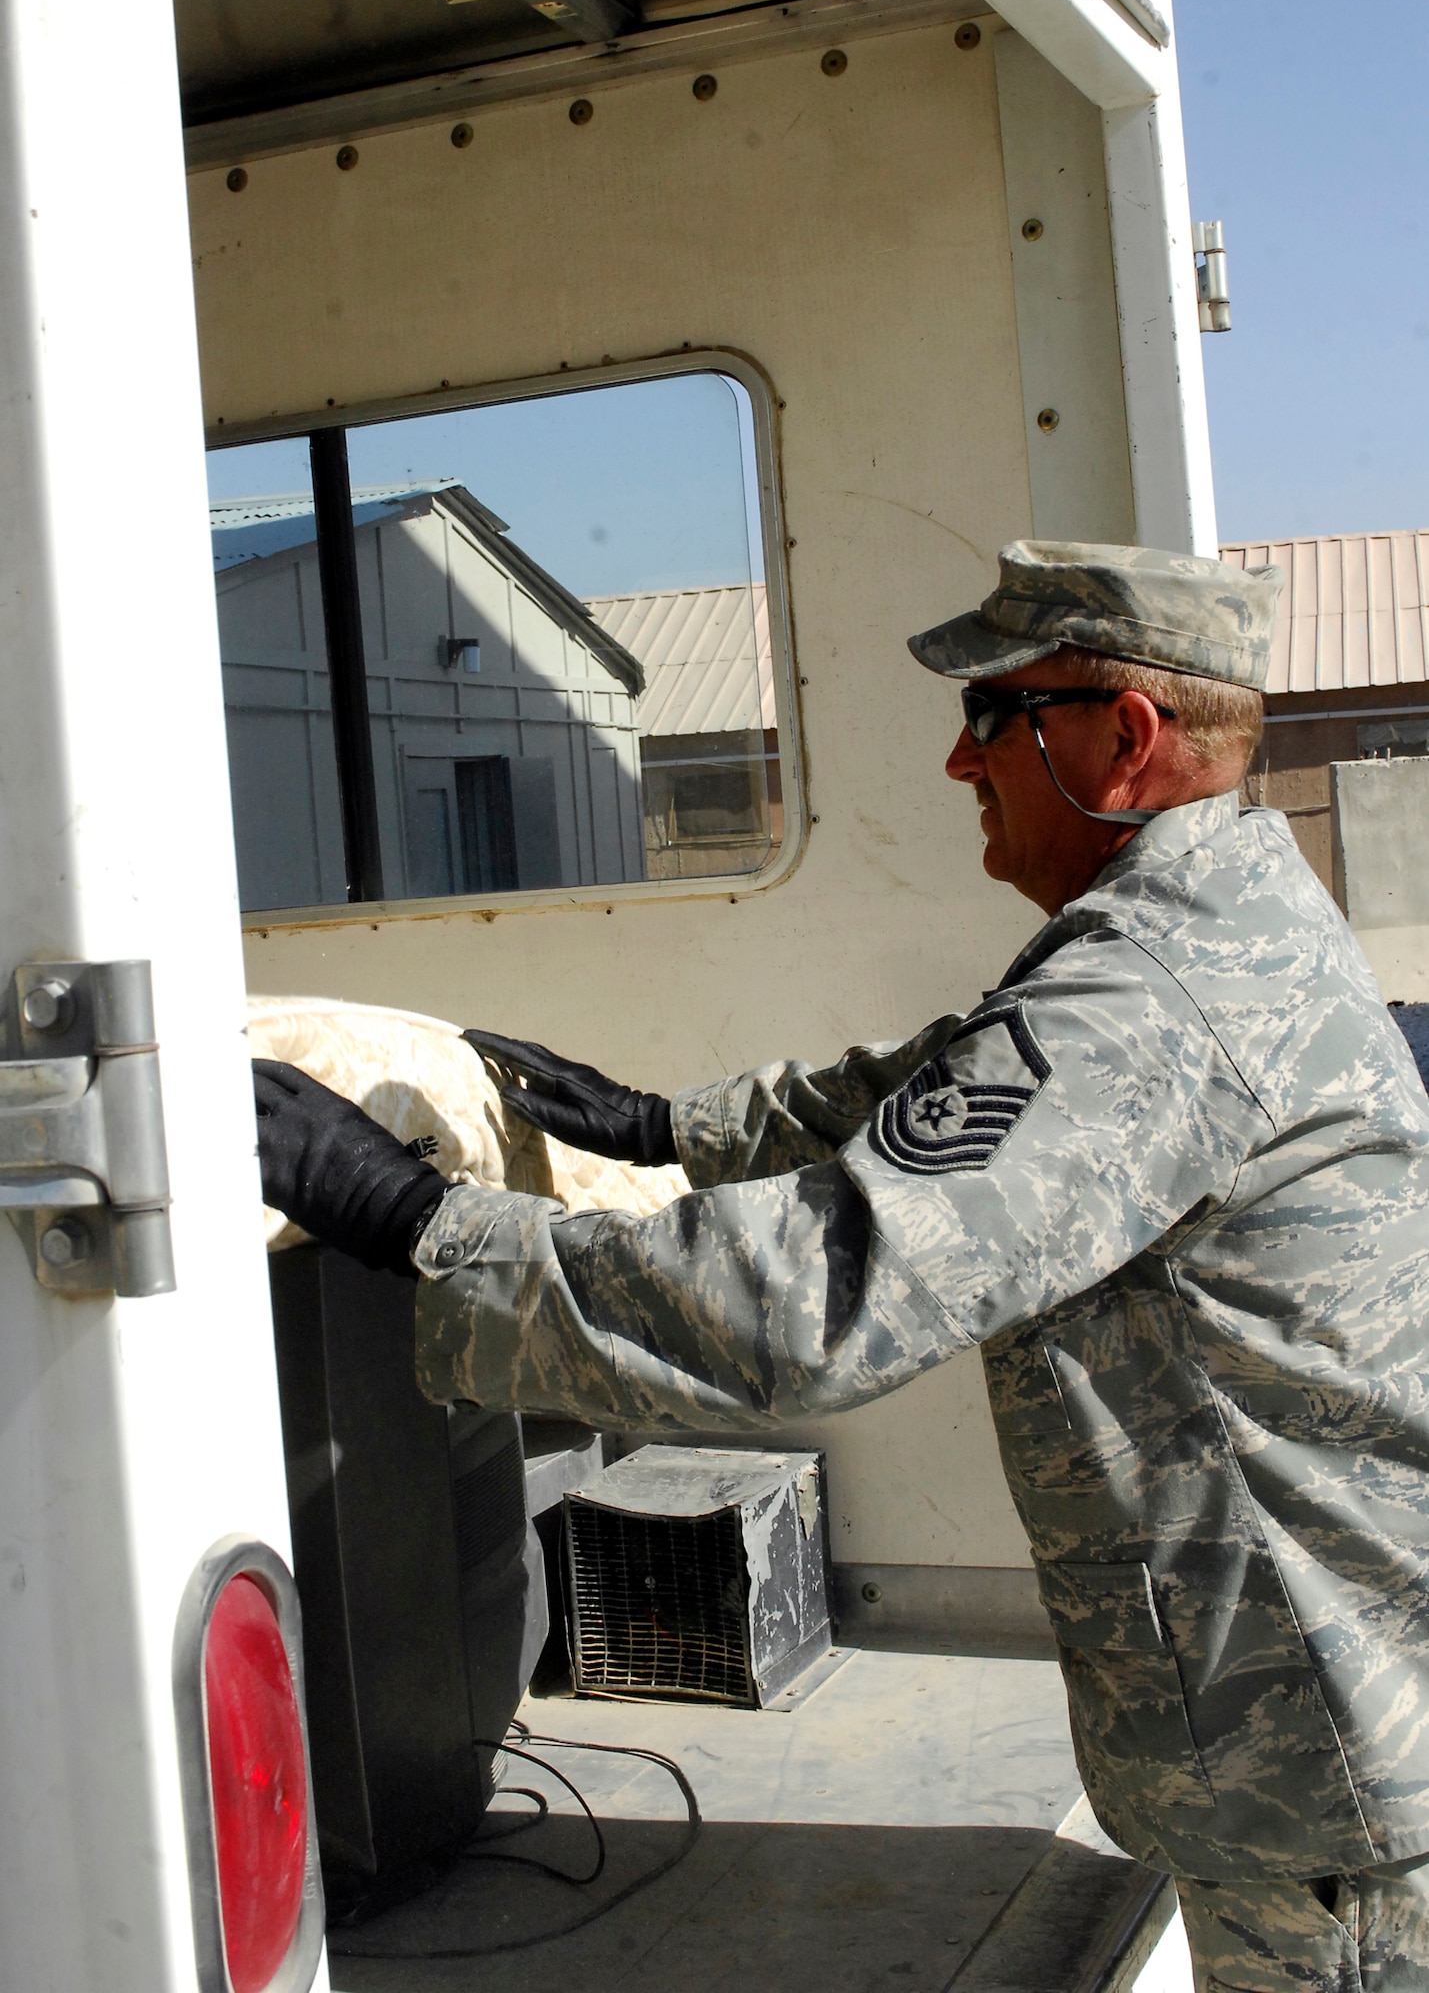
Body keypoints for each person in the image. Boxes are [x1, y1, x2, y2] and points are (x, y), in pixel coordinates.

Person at [255, 541, 1429, 1991]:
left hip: (1329, 1763)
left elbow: (813, 1299)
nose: (958, 758)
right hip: (1339, 1703)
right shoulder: (1211, 925)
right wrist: (662, 1127)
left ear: (1121, 741)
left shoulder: (1149, 996)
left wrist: (416, 1223)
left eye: (997, 715)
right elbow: (955, 1083)